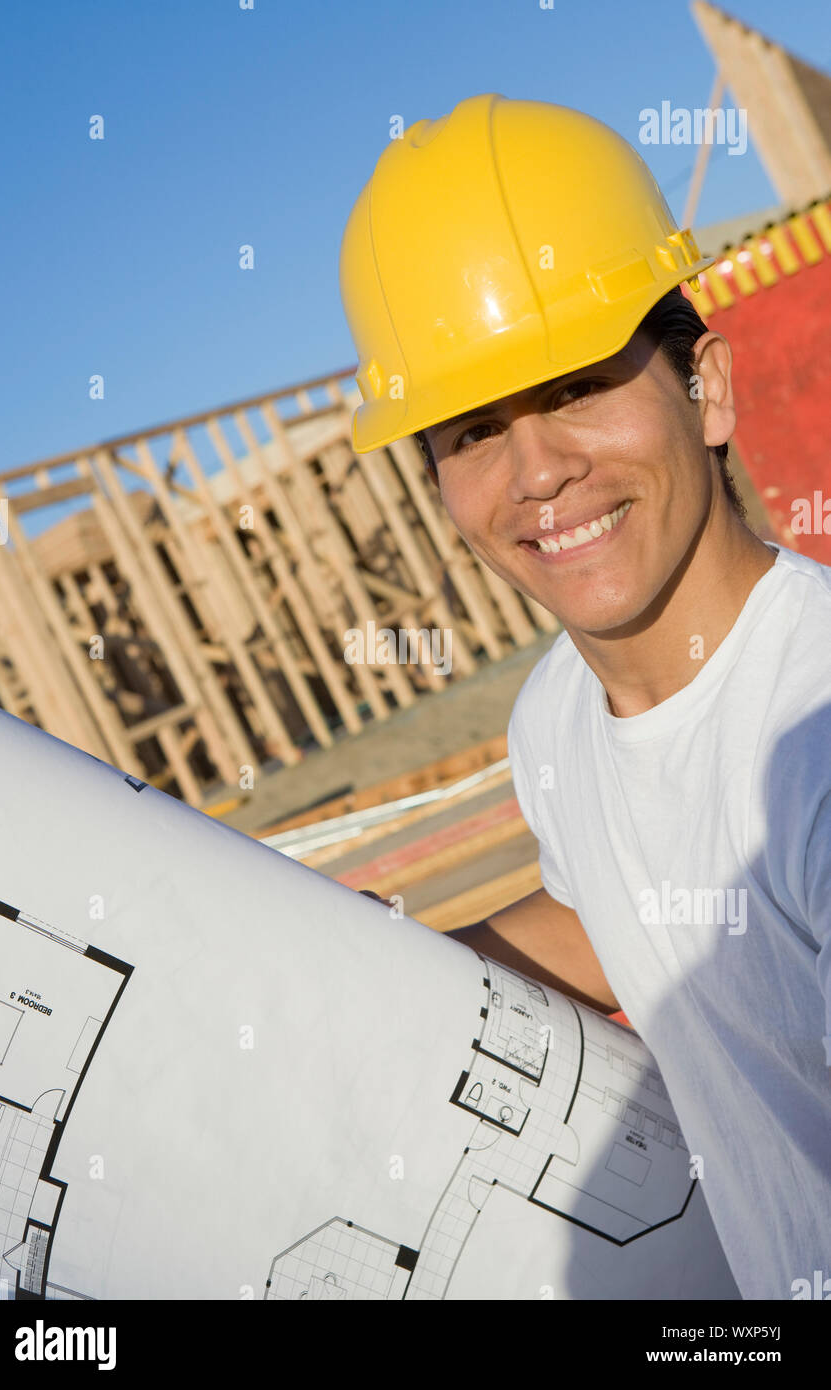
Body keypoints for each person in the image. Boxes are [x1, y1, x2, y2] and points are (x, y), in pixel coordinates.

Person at [340, 93, 831, 1301]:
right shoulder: (554, 716)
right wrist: (331, 971)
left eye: (574, 387)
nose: (539, 470)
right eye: (472, 429)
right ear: (438, 489)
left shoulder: (809, 739)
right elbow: (630, 919)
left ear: (704, 389)